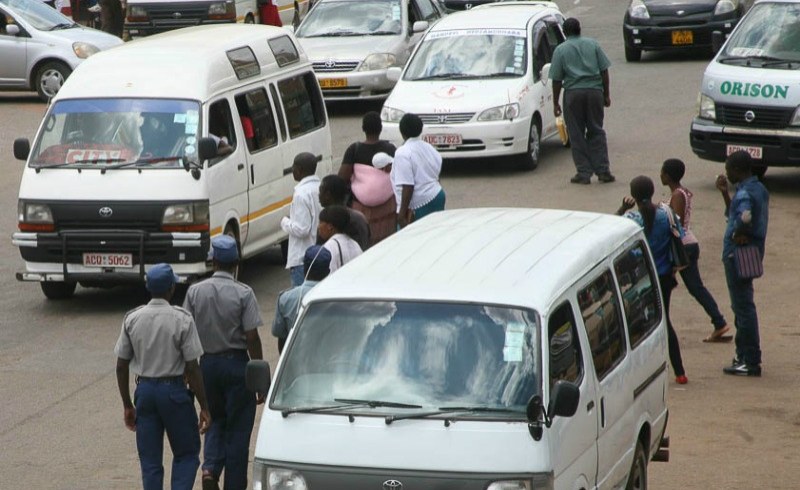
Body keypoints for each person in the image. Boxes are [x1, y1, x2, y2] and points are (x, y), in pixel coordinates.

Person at [114, 263, 211, 490]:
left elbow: (121, 366)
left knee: (149, 461)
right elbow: (193, 367)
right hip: (174, 392)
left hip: (145, 393)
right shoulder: (182, 319)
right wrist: (204, 406)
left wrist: (128, 405)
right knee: (186, 454)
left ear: (148, 287)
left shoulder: (132, 318)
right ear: (171, 289)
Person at [183, 235, 265, 490]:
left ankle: (210, 469)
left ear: (213, 261)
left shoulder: (195, 291)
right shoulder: (244, 293)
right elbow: (251, 336)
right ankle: (234, 484)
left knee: (213, 418)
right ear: (235, 262)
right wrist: (258, 370)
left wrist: (188, 371)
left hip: (207, 366)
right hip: (237, 365)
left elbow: (185, 332)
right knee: (239, 428)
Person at [617, 176, 688, 385]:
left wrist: (621, 208)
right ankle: (680, 371)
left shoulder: (632, 219)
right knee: (664, 320)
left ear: (633, 195)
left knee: (639, 325)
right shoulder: (666, 215)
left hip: (641, 279)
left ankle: (640, 375)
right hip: (664, 277)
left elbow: (610, 229)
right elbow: (680, 234)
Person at [660, 158, 730, 343]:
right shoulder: (680, 192)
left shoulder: (677, 195)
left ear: (667, 175)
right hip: (687, 245)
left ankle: (718, 321)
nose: (660, 175)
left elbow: (678, 223)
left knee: (666, 286)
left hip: (683, 247)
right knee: (695, 287)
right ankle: (719, 322)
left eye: (662, 172)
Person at [715, 150, 769, 377]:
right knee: (743, 305)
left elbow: (744, 216)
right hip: (751, 253)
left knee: (743, 307)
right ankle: (743, 355)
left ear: (737, 170)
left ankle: (750, 359)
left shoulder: (746, 192)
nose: (726, 173)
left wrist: (739, 231)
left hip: (738, 254)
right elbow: (736, 212)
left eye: (728, 169)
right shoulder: (759, 188)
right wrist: (725, 194)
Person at [550, 17, 615, 185]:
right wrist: (606, 94)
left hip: (573, 94)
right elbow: (604, 71)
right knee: (596, 129)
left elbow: (556, 79)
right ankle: (603, 171)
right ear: (580, 29)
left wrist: (556, 103)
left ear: (564, 33)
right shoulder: (592, 44)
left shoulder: (560, 50)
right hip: (594, 92)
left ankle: (584, 173)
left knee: (576, 133)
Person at [272, 245, 332, 353]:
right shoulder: (335, 298)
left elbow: (280, 336)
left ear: (304, 269)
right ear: (328, 272)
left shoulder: (286, 299)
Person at [392, 113, 445, 229]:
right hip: (437, 195)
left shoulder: (403, 153)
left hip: (419, 203)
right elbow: (437, 175)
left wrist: (401, 215)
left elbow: (408, 186)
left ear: (402, 132)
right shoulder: (430, 148)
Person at [281, 152, 322, 286]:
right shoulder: (320, 187)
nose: (292, 170)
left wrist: (285, 222)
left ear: (300, 170)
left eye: (293, 167)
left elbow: (302, 229)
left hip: (302, 260)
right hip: (319, 255)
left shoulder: (301, 194)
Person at [338, 112, 397, 181]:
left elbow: (342, 177)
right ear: (381, 128)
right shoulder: (391, 149)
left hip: (359, 191)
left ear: (363, 128)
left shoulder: (354, 150)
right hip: (387, 191)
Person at [318, 174, 370, 250]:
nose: (318, 195)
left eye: (320, 191)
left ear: (327, 195)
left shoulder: (327, 222)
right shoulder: (360, 217)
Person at [319, 205, 363, 273]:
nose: (318, 227)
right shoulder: (355, 244)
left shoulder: (329, 247)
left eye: (320, 222)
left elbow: (330, 275)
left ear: (330, 226)